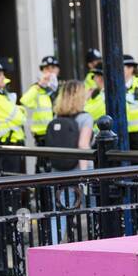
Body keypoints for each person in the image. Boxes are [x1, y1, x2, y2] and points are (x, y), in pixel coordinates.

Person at [43, 79, 95, 244]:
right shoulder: (85, 118)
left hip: (58, 171)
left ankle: (51, 246)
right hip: (78, 171)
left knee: (59, 214)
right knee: (94, 210)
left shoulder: (57, 117)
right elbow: (83, 146)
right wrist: (85, 174)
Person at [21, 55, 60, 150]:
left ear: (58, 70)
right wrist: (40, 85)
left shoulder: (62, 87)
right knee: (43, 163)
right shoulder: (37, 88)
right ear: (42, 71)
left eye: (53, 68)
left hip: (60, 130)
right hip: (43, 134)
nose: (50, 71)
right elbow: (24, 101)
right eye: (47, 68)